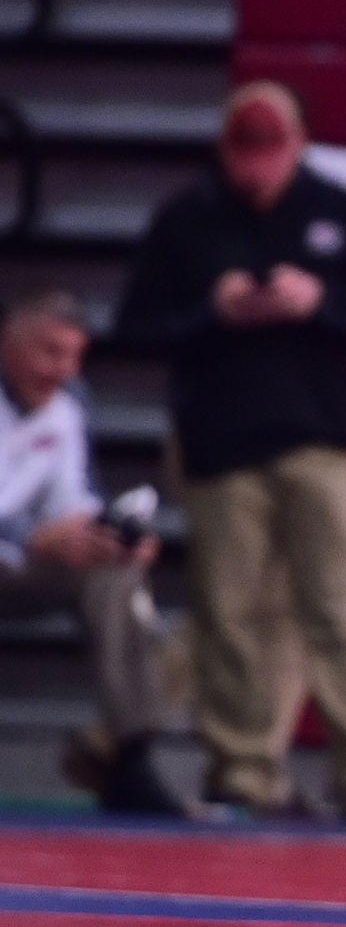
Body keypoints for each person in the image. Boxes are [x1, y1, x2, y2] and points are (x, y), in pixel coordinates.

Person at [114, 80, 346, 821]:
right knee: (229, 615)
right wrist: (210, 312)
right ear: (223, 150)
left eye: (271, 150)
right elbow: (134, 326)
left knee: (334, 615)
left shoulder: (335, 209)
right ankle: (243, 769)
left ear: (299, 145)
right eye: (243, 151)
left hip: (319, 438)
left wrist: (319, 302)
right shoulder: (186, 218)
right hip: (220, 443)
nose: (257, 167)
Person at [0, 287, 180, 815]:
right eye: (51, 352)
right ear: (9, 343)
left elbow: (72, 496)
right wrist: (28, 537)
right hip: (14, 547)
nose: (64, 369)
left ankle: (129, 756)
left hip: (23, 565)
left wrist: (107, 535)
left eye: (75, 356)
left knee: (114, 573)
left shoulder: (69, 403)